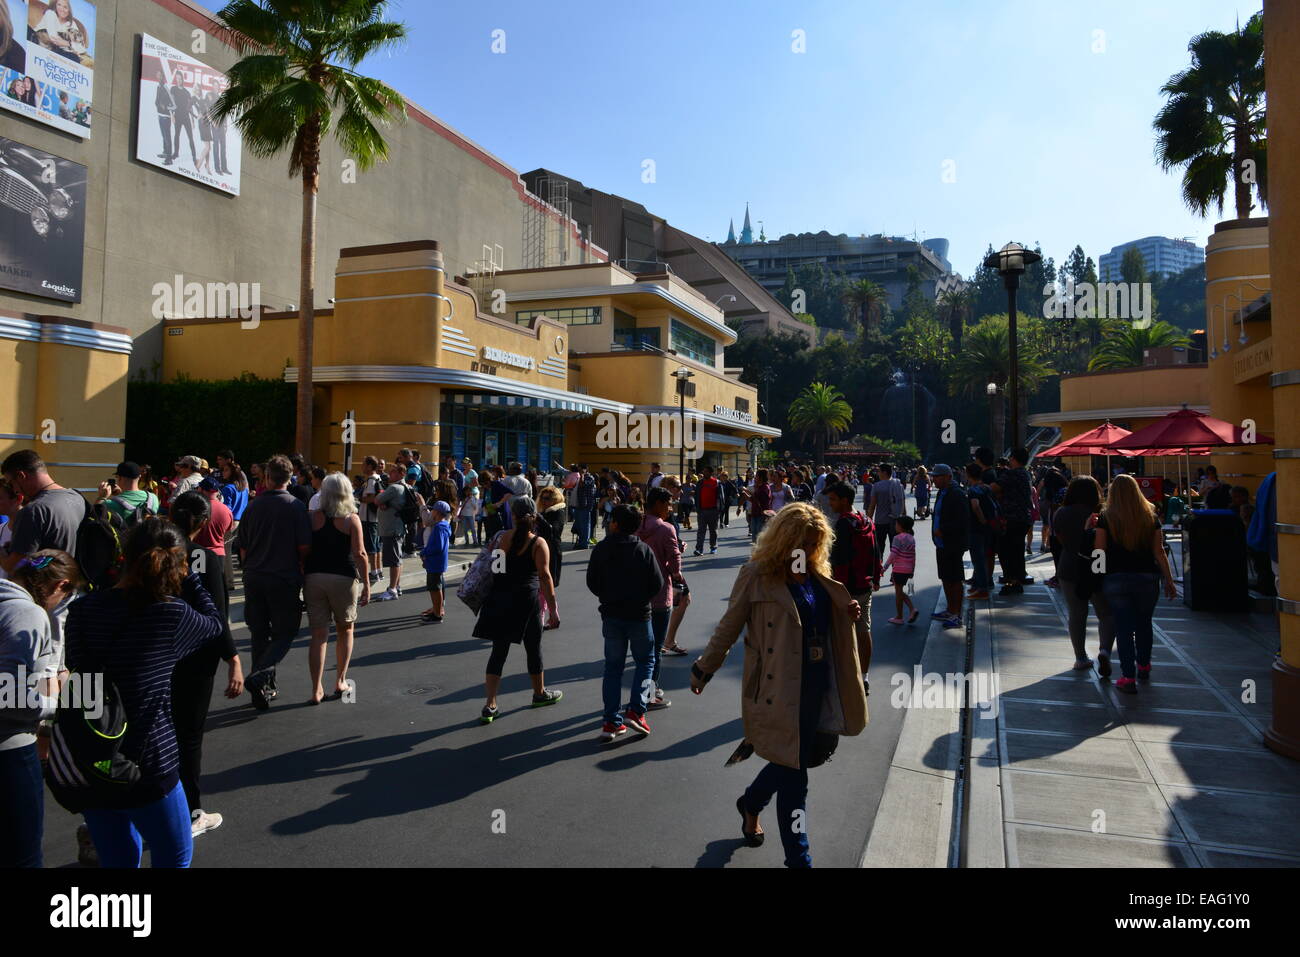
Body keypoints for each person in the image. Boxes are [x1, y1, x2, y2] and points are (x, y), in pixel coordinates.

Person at [690, 503, 869, 868]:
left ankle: (751, 802)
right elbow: (729, 625)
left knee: (796, 760)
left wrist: (844, 614)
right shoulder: (756, 575)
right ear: (785, 540)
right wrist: (704, 669)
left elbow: (822, 624)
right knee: (794, 776)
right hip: (778, 689)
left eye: (815, 543)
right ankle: (799, 862)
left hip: (817, 685)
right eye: (802, 542)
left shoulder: (817, 575)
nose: (807, 550)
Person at [64, 519, 226, 868]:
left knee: (118, 860)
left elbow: (77, 670)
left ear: (125, 555)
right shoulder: (170, 614)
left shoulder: (82, 610)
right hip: (151, 759)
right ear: (176, 563)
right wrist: (191, 577)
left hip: (95, 753)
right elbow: (213, 623)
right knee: (174, 857)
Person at [167, 492, 243, 837]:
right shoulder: (201, 557)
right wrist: (234, 657)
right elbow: (217, 614)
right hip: (196, 656)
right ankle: (191, 809)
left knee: (157, 729)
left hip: (155, 651)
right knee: (189, 735)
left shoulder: (149, 552)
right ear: (201, 523)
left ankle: (158, 801)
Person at [0, 550, 81, 867]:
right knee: (23, 854)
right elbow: (9, 695)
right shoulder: (27, 615)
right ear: (60, 586)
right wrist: (57, 705)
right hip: (10, 751)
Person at [473, 497, 562, 723]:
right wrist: (553, 609)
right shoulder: (538, 543)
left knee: (498, 652)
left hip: (501, 599)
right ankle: (539, 693)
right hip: (527, 601)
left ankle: (490, 704)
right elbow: (545, 577)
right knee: (533, 648)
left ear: (512, 515)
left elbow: (496, 569)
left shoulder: (502, 538)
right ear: (534, 517)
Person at [237, 454, 311, 710]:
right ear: (289, 478)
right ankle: (263, 674)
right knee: (285, 632)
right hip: (283, 577)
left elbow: (243, 547)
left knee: (259, 633)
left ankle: (264, 686)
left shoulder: (253, 506)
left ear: (267, 478)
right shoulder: (296, 506)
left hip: (255, 576)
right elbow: (304, 546)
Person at [1093, 475, 1177, 694]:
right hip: (1147, 578)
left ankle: (1127, 677)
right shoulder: (1150, 517)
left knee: (1123, 628)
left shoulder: (1106, 517)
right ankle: (1144, 665)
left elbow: (1099, 550)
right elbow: (1159, 552)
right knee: (1144, 623)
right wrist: (1169, 580)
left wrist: (1097, 575)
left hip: (1115, 578)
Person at [588, 504, 665, 742]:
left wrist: (607, 596)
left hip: (611, 614)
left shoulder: (602, 548)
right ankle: (636, 710)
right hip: (639, 615)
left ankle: (611, 721)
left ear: (614, 524)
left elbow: (592, 581)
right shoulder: (642, 549)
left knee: (613, 667)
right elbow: (657, 583)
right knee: (645, 661)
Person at [303, 474, 369, 701]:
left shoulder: (312, 517)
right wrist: (367, 583)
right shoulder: (351, 519)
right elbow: (360, 554)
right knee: (345, 629)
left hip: (314, 577)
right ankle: (340, 681)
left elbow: (303, 548)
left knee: (318, 634)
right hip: (343, 578)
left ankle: (315, 689)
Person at [1052, 476, 1116, 673]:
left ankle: (1080, 657)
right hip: (1097, 561)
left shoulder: (1061, 512)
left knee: (1077, 613)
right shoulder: (1103, 513)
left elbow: (1059, 539)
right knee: (1105, 612)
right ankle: (1104, 650)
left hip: (1070, 563)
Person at [826, 482, 879, 684]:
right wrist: (875, 576)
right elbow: (876, 549)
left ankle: (846, 676)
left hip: (846, 587)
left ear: (844, 500)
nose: (830, 504)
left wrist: (833, 584)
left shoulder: (844, 523)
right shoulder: (865, 519)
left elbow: (839, 558)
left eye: (833, 499)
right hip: (864, 583)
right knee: (864, 629)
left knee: (842, 633)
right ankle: (864, 675)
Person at [638, 488, 684, 705]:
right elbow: (674, 562)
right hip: (658, 594)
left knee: (638, 647)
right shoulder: (666, 529)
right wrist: (678, 575)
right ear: (657, 504)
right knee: (655, 648)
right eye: (668, 504)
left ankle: (638, 693)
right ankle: (649, 693)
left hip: (635, 593)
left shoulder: (635, 524)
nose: (670, 508)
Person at [930, 464, 968, 629]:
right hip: (942, 543)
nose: (934, 479)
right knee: (945, 577)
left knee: (955, 579)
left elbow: (962, 520)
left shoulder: (956, 494)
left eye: (937, 476)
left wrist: (943, 530)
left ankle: (956, 614)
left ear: (947, 477)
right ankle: (950, 609)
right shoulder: (942, 492)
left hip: (953, 543)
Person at [992, 448, 1033, 595]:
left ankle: (1012, 582)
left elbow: (994, 488)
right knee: (1016, 551)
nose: (1009, 460)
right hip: (1023, 517)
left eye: (1011, 458)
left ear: (1014, 459)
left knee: (1006, 551)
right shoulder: (1025, 473)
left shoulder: (1012, 473)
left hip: (1011, 518)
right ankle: (1017, 579)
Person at [373, 462, 415, 601]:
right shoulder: (405, 487)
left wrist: (381, 499)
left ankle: (391, 590)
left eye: (392, 472)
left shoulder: (394, 488)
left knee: (393, 561)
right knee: (398, 559)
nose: (389, 474)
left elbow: (377, 499)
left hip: (392, 529)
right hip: (398, 527)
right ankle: (396, 586)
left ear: (400, 474)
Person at [964, 463, 995, 600]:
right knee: (982, 557)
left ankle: (982, 589)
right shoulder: (987, 488)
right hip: (988, 528)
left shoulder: (973, 490)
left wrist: (981, 520)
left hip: (976, 528)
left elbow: (975, 506)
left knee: (978, 560)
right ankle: (977, 585)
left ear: (968, 474)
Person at [419, 500, 451, 623]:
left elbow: (438, 546)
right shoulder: (443, 525)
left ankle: (437, 614)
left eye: (432, 510)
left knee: (434, 588)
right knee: (436, 587)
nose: (431, 512)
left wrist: (424, 552)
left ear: (437, 512)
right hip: (437, 562)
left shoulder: (439, 527)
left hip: (435, 563)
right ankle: (437, 611)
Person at [882, 516, 918, 625]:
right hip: (907, 570)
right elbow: (913, 556)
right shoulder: (911, 538)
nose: (895, 526)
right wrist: (912, 570)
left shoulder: (897, 538)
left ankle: (900, 616)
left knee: (898, 593)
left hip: (899, 569)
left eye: (896, 524)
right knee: (899, 592)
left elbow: (893, 554)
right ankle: (911, 610)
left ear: (901, 526)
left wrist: (885, 567)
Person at [867, 464, 906, 561]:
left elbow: (872, 505)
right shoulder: (899, 485)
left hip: (881, 521)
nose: (878, 473)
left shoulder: (876, 486)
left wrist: (868, 520)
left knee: (879, 546)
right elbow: (902, 503)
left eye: (879, 471)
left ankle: (878, 568)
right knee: (895, 548)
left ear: (884, 472)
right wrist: (904, 518)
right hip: (895, 521)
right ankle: (896, 570)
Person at [694, 464, 721, 555]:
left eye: (706, 471)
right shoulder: (700, 482)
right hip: (702, 511)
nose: (704, 472)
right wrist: (697, 508)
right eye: (703, 471)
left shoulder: (716, 482)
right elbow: (696, 495)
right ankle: (699, 549)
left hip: (713, 511)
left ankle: (713, 547)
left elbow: (720, 497)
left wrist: (719, 509)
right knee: (701, 531)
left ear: (710, 473)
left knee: (713, 531)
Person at [571, 464, 597, 549]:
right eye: (579, 470)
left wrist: (582, 475)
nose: (580, 471)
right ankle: (581, 541)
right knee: (580, 524)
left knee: (585, 524)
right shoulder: (580, 477)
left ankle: (584, 543)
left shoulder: (590, 478)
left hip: (585, 505)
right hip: (579, 504)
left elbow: (582, 485)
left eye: (582, 469)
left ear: (586, 469)